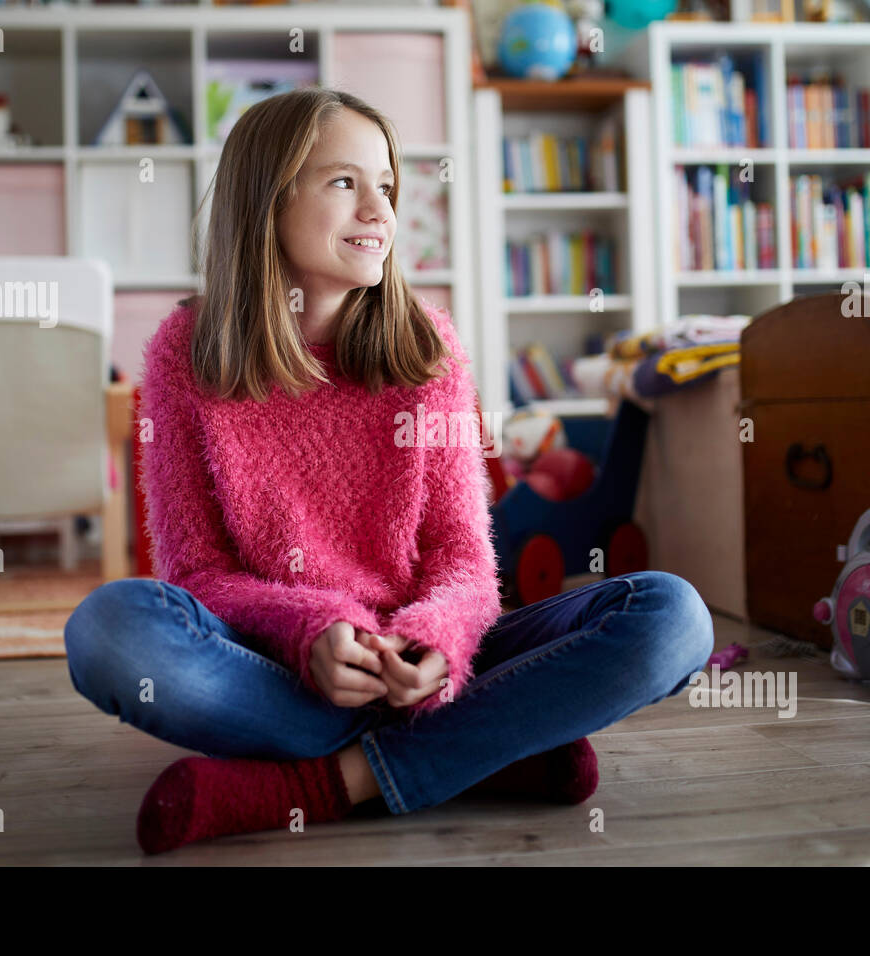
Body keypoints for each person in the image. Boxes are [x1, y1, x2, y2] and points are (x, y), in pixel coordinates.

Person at [63, 87, 714, 855]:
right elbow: (197, 572)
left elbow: (465, 560)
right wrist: (310, 632)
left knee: (672, 619)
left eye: (388, 187)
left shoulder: (425, 347)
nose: (379, 210)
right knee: (110, 632)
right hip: (281, 673)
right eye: (344, 182)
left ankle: (321, 785)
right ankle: (489, 751)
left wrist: (436, 644)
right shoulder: (185, 353)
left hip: (431, 668)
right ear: (266, 200)